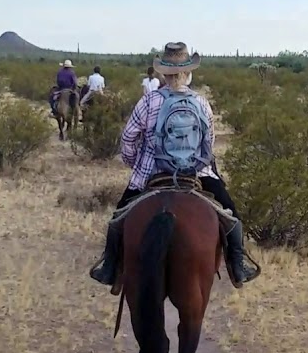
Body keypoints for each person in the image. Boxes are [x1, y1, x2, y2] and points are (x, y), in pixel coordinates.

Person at [89, 41, 260, 288]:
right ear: (188, 72)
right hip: (196, 171)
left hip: (151, 172)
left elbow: (127, 138)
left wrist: (136, 164)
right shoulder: (201, 102)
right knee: (232, 215)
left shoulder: (149, 101)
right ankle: (238, 265)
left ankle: (110, 268)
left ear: (163, 73)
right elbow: (208, 141)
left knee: (117, 219)